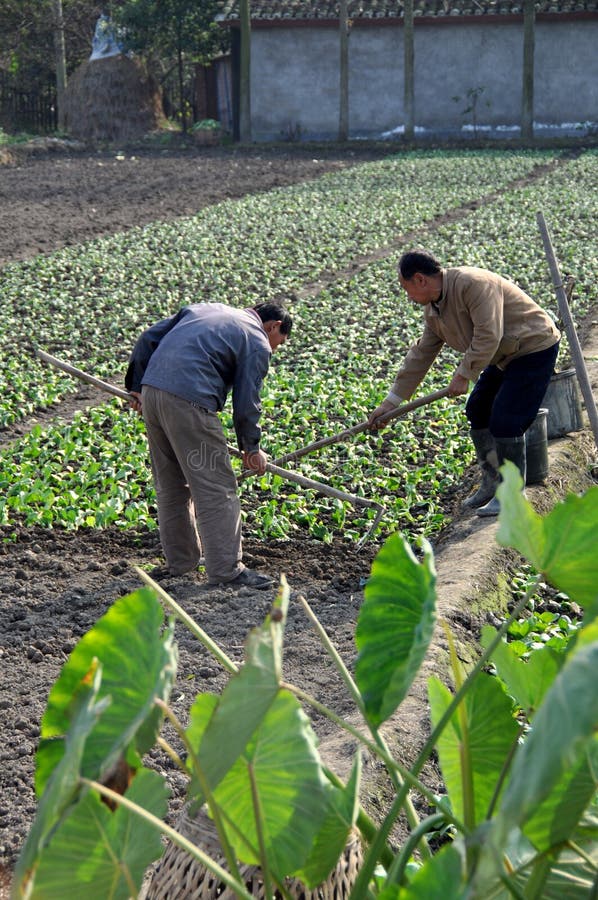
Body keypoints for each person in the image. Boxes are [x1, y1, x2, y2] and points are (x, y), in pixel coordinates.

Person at [367, 250, 560, 517]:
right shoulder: (433, 310)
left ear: (420, 279)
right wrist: (392, 402)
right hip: (502, 356)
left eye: (406, 288)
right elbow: (421, 354)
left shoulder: (473, 284)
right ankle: (493, 483)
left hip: (531, 347)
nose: (408, 296)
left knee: (506, 418)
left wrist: (464, 375)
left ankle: (512, 495)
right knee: (478, 409)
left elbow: (488, 334)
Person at [125, 300, 292, 588]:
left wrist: (136, 387)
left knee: (172, 486)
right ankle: (227, 571)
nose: (275, 349)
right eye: (280, 342)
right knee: (217, 488)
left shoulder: (205, 309)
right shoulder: (257, 340)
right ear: (273, 326)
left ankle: (181, 563)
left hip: (153, 395)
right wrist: (251, 448)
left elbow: (149, 337)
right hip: (190, 403)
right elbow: (247, 400)